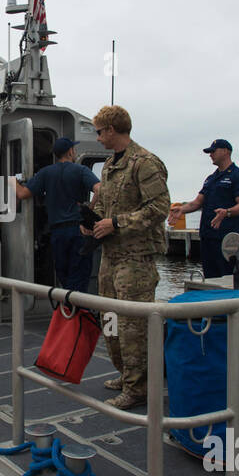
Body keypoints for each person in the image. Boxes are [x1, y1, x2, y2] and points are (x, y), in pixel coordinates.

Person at [84, 106, 171, 409]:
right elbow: (105, 205)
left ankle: (139, 387)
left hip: (136, 259)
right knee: (109, 319)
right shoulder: (110, 165)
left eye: (99, 131)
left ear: (111, 129)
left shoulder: (145, 164)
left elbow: (159, 209)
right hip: (111, 255)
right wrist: (93, 220)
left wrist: (117, 223)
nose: (97, 137)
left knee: (133, 325)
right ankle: (126, 374)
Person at [12, 137, 101, 292]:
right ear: (70, 152)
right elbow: (100, 189)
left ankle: (67, 312)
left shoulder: (45, 173)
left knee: (64, 279)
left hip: (58, 233)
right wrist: (90, 209)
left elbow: (23, 193)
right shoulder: (81, 170)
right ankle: (77, 313)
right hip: (79, 231)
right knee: (79, 279)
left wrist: (11, 180)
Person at [172, 139, 239, 279]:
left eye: (213, 151)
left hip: (226, 240)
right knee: (210, 278)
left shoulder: (238, 176)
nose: (210, 155)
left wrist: (227, 212)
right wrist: (182, 209)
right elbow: (197, 202)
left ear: (226, 151)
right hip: (208, 237)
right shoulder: (211, 179)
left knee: (227, 278)